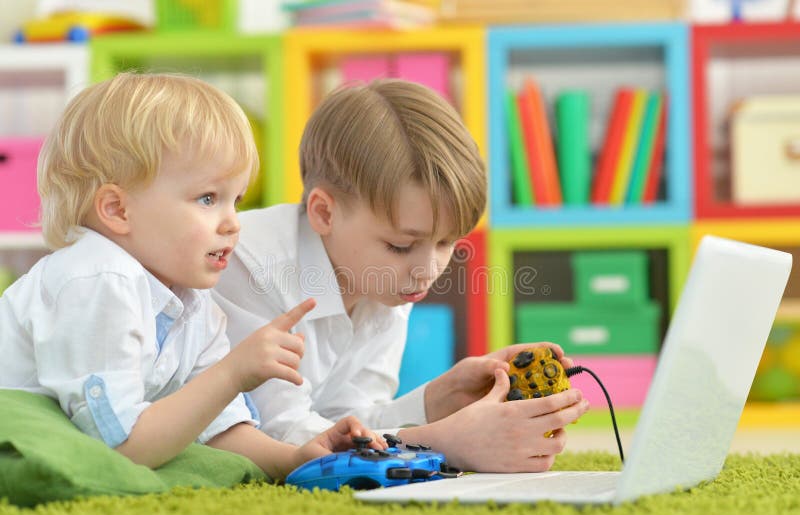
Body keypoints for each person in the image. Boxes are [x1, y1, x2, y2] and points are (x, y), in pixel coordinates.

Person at [0, 72, 384, 482]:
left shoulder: (192, 302)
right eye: (207, 198)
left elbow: (217, 427)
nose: (233, 223)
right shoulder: (98, 279)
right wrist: (233, 373)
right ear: (117, 210)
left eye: (236, 200)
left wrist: (298, 459)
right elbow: (121, 448)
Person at [212, 79, 589, 473]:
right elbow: (280, 437)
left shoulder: (383, 282)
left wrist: (439, 399)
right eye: (400, 246)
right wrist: (445, 442)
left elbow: (346, 418)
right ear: (324, 213)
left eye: (446, 242)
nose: (428, 271)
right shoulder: (248, 264)